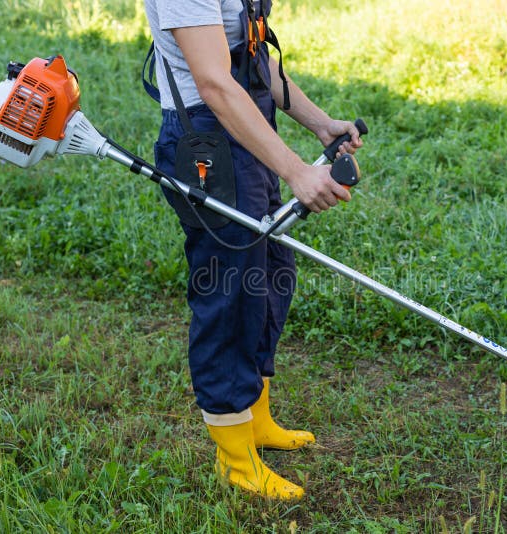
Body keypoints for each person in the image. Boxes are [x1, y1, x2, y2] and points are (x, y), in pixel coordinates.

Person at [143, 0, 363, 501]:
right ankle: (236, 459)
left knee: (270, 273)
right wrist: (297, 172)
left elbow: (256, 58)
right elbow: (216, 83)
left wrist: (320, 124)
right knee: (231, 291)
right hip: (208, 138)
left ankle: (256, 416)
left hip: (249, 127)